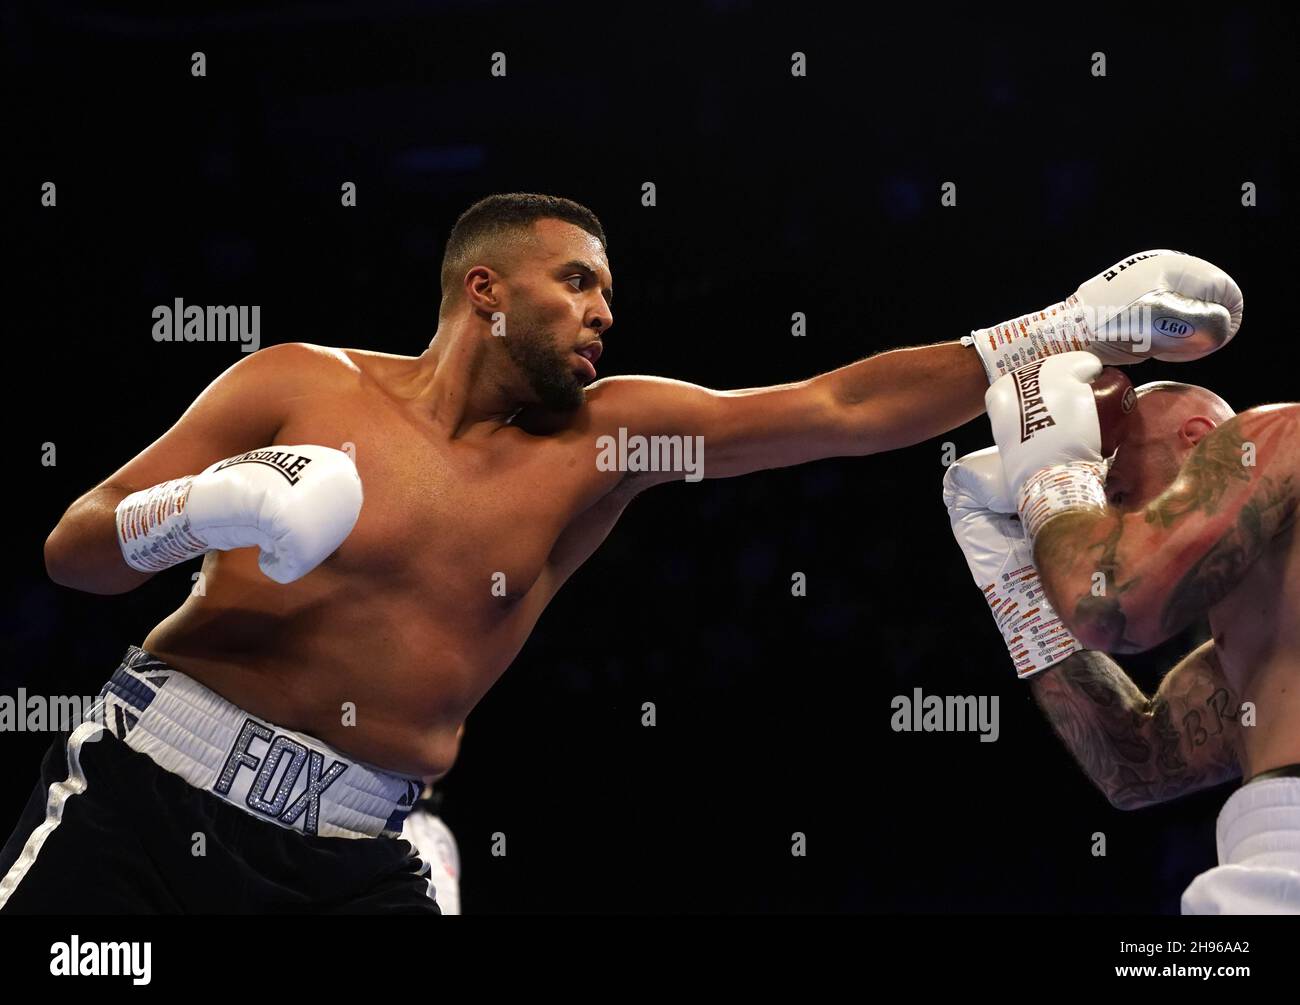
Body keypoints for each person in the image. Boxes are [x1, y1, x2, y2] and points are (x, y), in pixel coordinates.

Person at [2, 190, 1240, 911]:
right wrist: (207, 510)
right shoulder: (297, 384)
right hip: (149, 798)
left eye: (609, 293)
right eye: (579, 285)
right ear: (484, 290)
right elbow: (75, 551)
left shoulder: (607, 440)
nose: (606, 312)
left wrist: (1057, 330)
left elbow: (835, 409)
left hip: (353, 852)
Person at [945, 355, 1299, 913]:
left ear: (1201, 437)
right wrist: (1016, 581)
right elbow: (1139, 764)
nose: (1103, 507)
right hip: (1266, 846)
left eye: (1117, 490)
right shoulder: (1267, 638)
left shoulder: (1284, 434)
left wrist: (1050, 479)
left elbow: (1111, 604)